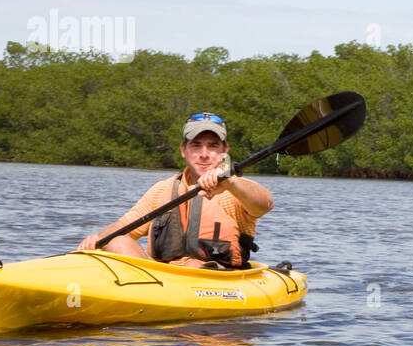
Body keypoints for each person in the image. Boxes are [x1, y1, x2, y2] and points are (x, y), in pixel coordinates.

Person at [79, 112, 273, 268]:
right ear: (183, 150)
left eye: (212, 146)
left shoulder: (235, 188)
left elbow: (264, 204)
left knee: (194, 265)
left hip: (217, 277)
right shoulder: (162, 190)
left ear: (224, 151)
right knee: (116, 241)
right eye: (196, 146)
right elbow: (124, 225)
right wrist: (98, 239)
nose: (204, 154)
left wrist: (231, 183)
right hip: (164, 278)